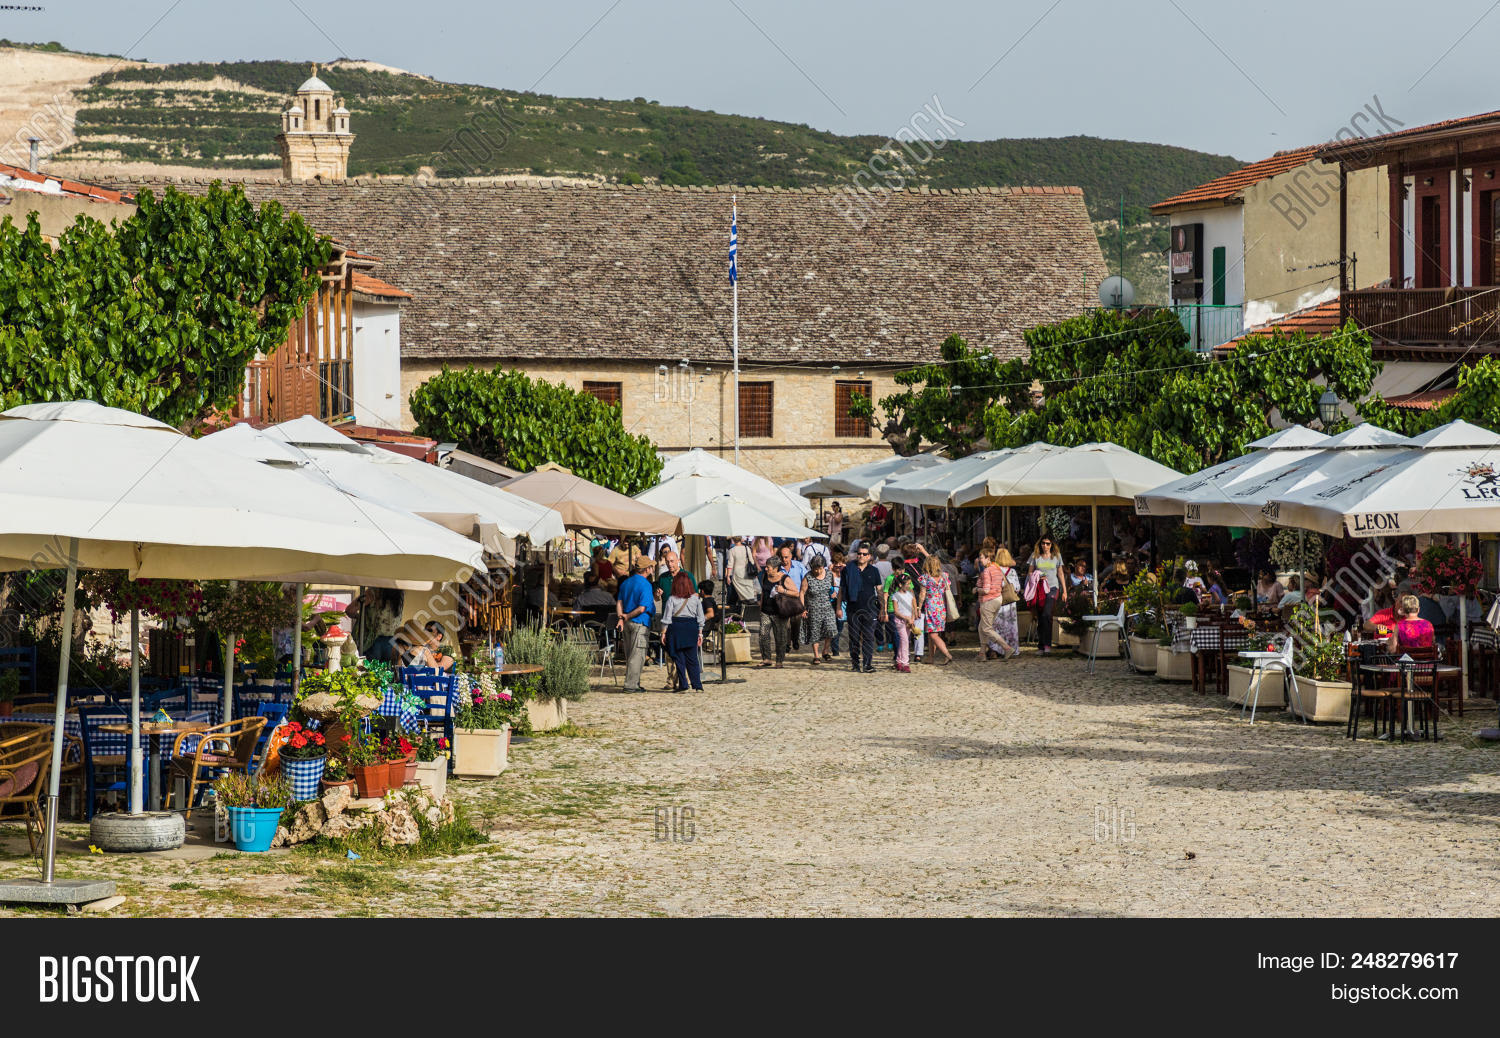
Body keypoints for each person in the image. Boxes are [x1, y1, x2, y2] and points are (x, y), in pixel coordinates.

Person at [615, 556, 656, 693]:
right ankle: (631, 685)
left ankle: (635, 683)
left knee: (630, 654)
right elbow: (642, 608)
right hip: (640, 622)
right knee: (637, 654)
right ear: (646, 569)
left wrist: (622, 617)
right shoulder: (645, 585)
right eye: (651, 566)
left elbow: (619, 602)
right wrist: (627, 615)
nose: (652, 569)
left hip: (627, 623)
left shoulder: (626, 582)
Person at [660, 571, 706, 692]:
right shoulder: (695, 600)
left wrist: (663, 632)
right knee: (692, 659)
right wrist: (700, 632)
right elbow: (701, 618)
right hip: (691, 628)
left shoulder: (671, 599)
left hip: (676, 629)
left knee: (678, 658)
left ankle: (683, 684)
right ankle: (697, 685)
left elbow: (667, 618)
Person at [839, 543, 880, 673]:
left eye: (864, 554)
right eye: (859, 553)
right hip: (853, 609)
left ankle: (867, 664)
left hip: (870, 609)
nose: (861, 556)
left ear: (869, 556)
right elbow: (841, 589)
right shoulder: (848, 569)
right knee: (854, 638)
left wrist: (883, 608)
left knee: (868, 638)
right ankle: (855, 663)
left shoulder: (874, 571)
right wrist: (838, 607)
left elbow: (879, 590)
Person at [1028, 536, 1066, 655]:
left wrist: (1064, 590)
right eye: (1043, 543)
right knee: (1040, 616)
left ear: (1052, 545)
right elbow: (1030, 572)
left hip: (1053, 588)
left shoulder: (1056, 556)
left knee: (1047, 614)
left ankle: (1047, 645)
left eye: (1048, 544)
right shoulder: (1035, 556)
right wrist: (1036, 576)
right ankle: (1041, 645)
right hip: (1039, 589)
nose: (1045, 546)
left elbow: (1060, 573)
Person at [758, 557, 799, 668]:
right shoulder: (765, 576)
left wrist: (783, 591)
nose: (766, 569)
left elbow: (796, 593)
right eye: (766, 566)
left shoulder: (785, 578)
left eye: (768, 567)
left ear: (776, 568)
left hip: (779, 612)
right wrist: (760, 607)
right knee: (763, 634)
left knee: (780, 637)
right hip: (765, 611)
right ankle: (766, 658)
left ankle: (779, 660)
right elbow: (763, 592)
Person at [348, 587, 404, 665]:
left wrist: (361, 618)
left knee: (369, 674)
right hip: (392, 643)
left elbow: (350, 610)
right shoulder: (400, 595)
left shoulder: (372, 592)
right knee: (388, 674)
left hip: (372, 642)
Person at [917, 553, 955, 665]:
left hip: (931, 607)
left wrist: (919, 607)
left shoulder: (925, 578)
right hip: (941, 607)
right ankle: (931, 657)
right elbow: (947, 589)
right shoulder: (944, 576)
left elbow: (922, 594)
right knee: (933, 633)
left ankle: (947, 654)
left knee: (933, 634)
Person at [802, 558, 838, 664]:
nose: (817, 571)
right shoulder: (808, 577)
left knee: (831, 629)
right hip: (813, 608)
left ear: (824, 567)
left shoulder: (829, 574)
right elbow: (802, 593)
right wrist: (802, 608)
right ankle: (816, 655)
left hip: (828, 607)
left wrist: (834, 593)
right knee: (815, 632)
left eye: (820, 568)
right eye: (815, 569)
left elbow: (834, 586)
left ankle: (825, 651)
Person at [889, 571, 918, 673]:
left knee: (905, 641)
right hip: (900, 621)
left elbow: (913, 608)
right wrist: (906, 618)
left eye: (910, 583)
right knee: (905, 640)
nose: (909, 586)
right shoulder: (895, 596)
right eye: (907, 584)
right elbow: (896, 611)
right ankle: (905, 663)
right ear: (900, 585)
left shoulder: (910, 595)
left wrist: (913, 618)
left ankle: (899, 661)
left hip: (909, 621)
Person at [725, 536, 760, 610]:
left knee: (739, 592)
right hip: (747, 572)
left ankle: (738, 608)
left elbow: (730, 564)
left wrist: (728, 576)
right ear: (741, 539)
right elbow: (752, 561)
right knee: (748, 590)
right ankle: (751, 608)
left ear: (733, 540)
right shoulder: (747, 548)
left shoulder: (732, 550)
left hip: (737, 573)